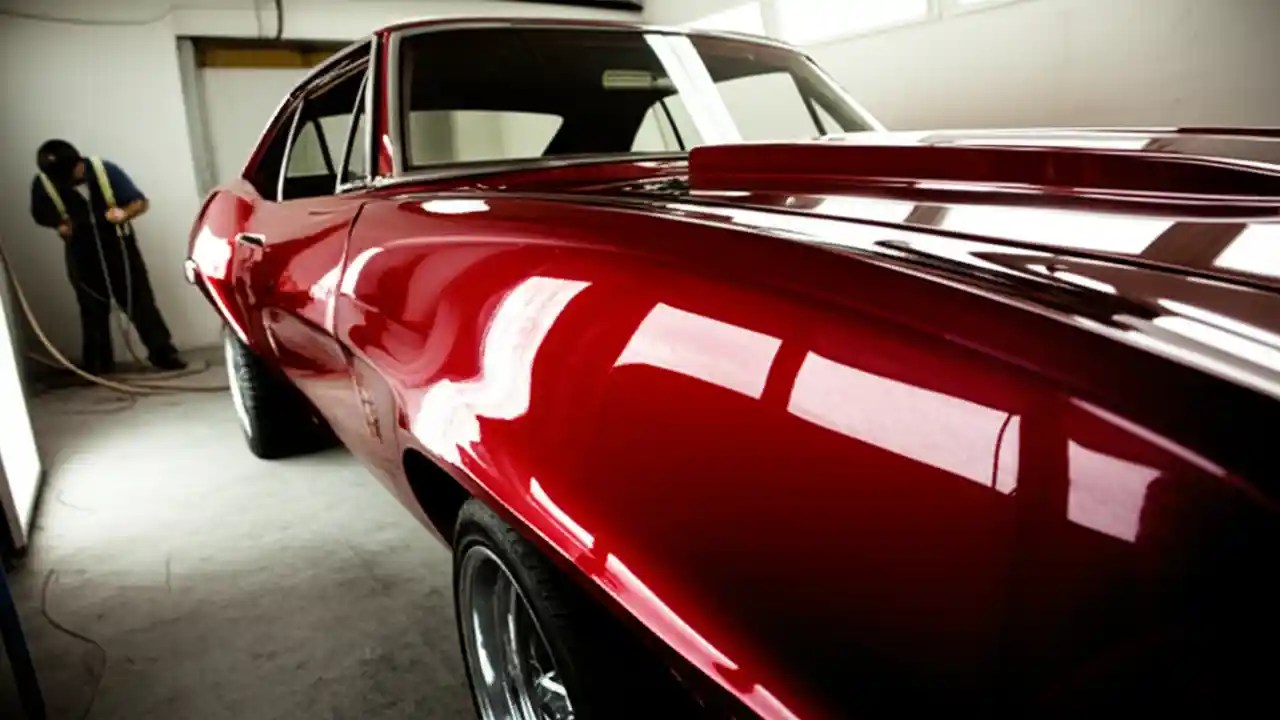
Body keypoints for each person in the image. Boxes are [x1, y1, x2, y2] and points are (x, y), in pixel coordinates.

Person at [29, 139, 186, 373]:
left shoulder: (105, 170)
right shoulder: (44, 182)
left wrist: (124, 213)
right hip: (81, 249)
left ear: (78, 164)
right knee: (92, 306)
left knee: (139, 300)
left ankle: (163, 352)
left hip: (117, 245)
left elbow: (140, 202)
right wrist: (58, 225)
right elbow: (40, 214)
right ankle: (98, 364)